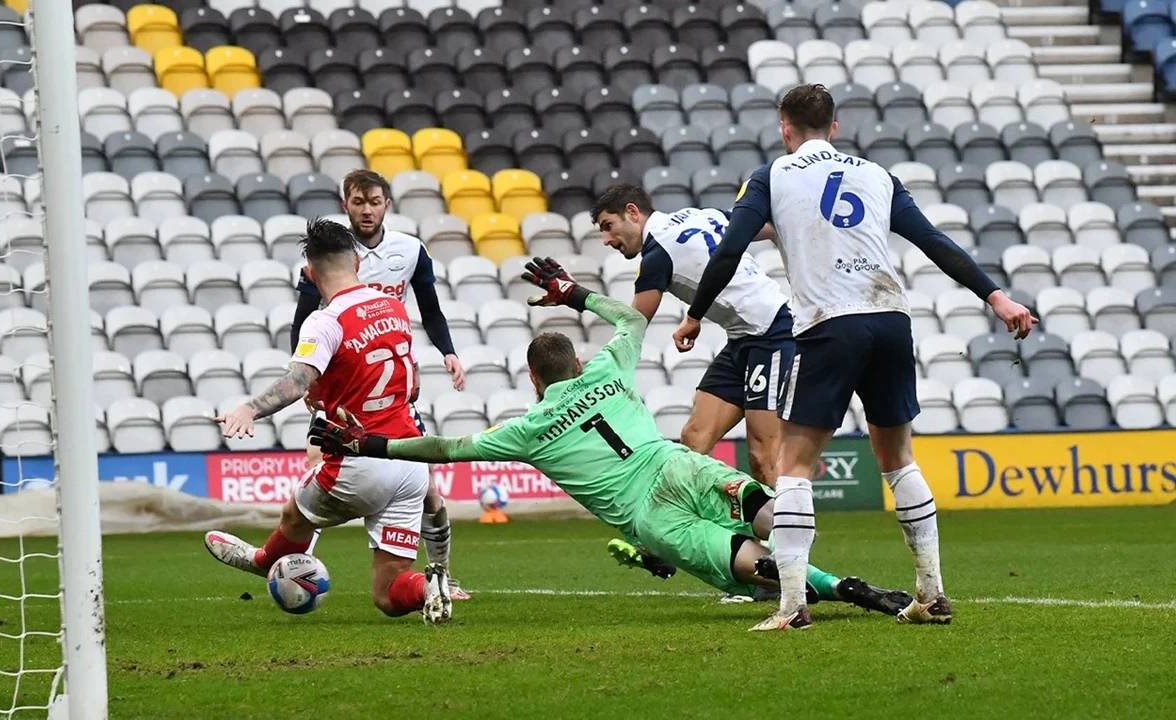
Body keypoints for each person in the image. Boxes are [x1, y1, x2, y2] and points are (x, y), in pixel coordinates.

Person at [312, 257, 913, 619]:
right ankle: (816, 553)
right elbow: (631, 319)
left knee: (745, 565)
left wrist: (361, 444)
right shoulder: (606, 368)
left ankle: (846, 589)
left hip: (648, 517)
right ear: (576, 363)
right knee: (767, 512)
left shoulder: (527, 430)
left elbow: (444, 448)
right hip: (677, 466)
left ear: (533, 378)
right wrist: (574, 294)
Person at [673, 84, 1037, 630]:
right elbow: (934, 241)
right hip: (891, 319)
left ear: (785, 128)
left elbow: (729, 248)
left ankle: (793, 607)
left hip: (828, 324)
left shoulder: (773, 175)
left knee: (794, 466)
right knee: (899, 460)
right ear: (835, 128)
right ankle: (932, 594)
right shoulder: (876, 175)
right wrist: (997, 296)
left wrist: (696, 312)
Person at [207, 219, 453, 624]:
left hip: (359, 462)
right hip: (409, 462)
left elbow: (297, 381)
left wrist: (249, 409)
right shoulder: (392, 307)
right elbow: (412, 387)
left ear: (309, 273)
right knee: (389, 594)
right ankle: (430, 587)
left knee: (294, 516)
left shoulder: (325, 321)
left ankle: (260, 560)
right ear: (357, 260)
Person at [290, 169, 469, 601]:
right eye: (357, 202)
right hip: (340, 386)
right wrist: (306, 375)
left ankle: (441, 575)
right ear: (345, 204)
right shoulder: (328, 253)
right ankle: (295, 570)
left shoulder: (409, 250)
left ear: (387, 204)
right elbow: (303, 318)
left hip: (390, 388)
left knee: (428, 491)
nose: (366, 210)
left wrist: (448, 350)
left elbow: (431, 308)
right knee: (316, 474)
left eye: (374, 202)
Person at [592, 184, 792, 489]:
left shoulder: (658, 252)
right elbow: (756, 227)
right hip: (742, 338)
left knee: (763, 456)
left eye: (609, 227)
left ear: (632, 213)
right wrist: (784, 238)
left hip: (773, 334)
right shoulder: (700, 215)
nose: (606, 240)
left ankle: (794, 533)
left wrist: (577, 297)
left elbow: (632, 324)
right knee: (693, 440)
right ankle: (685, 529)